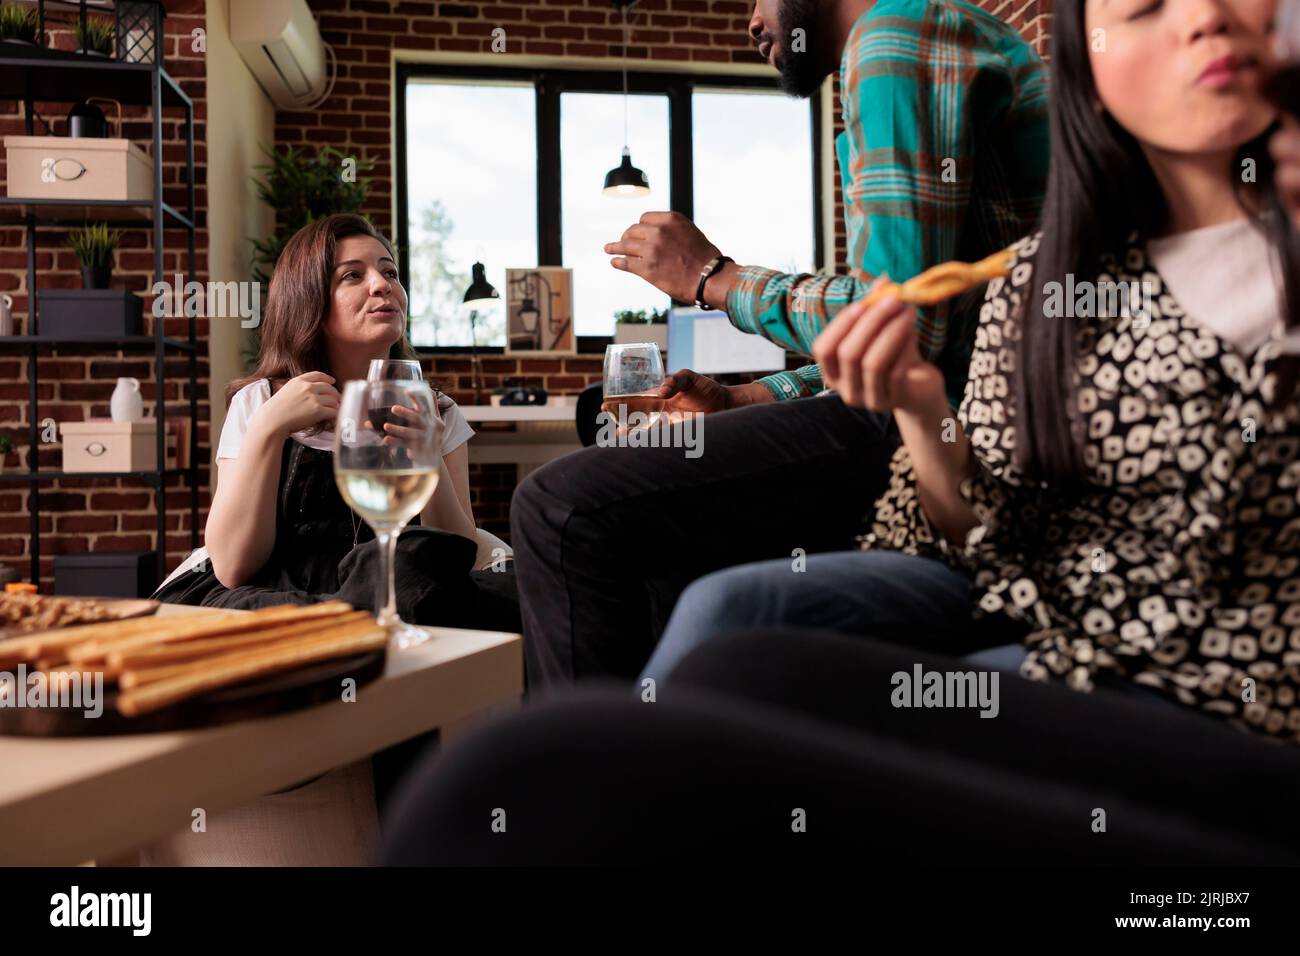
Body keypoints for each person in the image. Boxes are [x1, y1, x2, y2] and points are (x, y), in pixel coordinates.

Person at [645, 0, 1300, 743]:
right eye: (1144, 7)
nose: (1202, 18)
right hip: (1054, 607)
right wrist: (923, 411)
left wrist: (720, 280)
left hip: (1215, 677)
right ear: (1092, 61)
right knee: (724, 621)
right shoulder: (1043, 274)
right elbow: (974, 525)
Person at [511, 0, 1050, 687]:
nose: (750, 21)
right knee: (648, 515)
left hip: (956, 435)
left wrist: (715, 279)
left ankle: (598, 782)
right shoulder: (912, 39)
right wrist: (751, 395)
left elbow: (902, 329)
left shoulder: (894, 36)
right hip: (939, 406)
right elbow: (913, 332)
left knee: (559, 510)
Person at [154, 213, 519, 634]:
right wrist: (267, 429)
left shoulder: (436, 410)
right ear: (309, 300)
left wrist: (429, 457)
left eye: (390, 272)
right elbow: (234, 567)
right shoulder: (260, 403)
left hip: (403, 590)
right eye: (352, 275)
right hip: (279, 598)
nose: (383, 285)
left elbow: (457, 556)